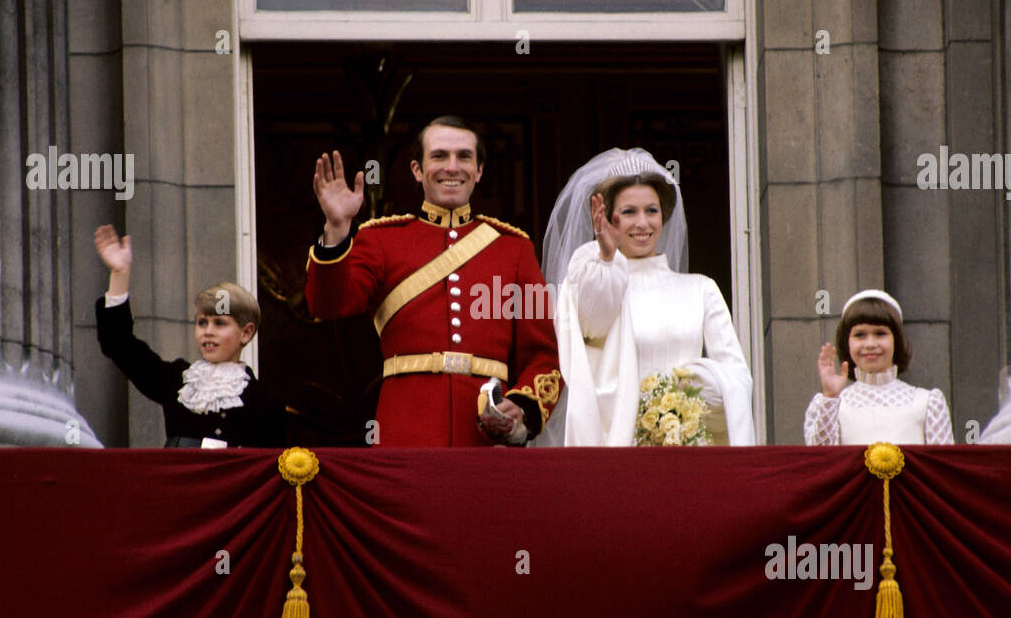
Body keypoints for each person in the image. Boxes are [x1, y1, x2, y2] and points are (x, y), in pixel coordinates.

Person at [303, 118, 562, 447]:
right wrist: (337, 229)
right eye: (439, 156)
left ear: (479, 170)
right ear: (417, 169)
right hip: (404, 428)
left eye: (464, 157)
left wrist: (522, 405)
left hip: (486, 437)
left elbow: (544, 353)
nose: (452, 167)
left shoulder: (514, 248)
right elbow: (328, 306)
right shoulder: (380, 239)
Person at [537, 148, 755, 447]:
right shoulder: (597, 281)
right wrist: (604, 257)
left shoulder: (700, 289)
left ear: (663, 216)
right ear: (608, 220)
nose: (642, 223)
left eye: (651, 210)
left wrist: (681, 399)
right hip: (616, 451)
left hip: (688, 450)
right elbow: (590, 323)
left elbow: (737, 378)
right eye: (629, 212)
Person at [94, 225, 288, 447]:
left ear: (246, 333)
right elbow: (118, 343)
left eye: (220, 323)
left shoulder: (264, 400)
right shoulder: (178, 380)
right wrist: (120, 274)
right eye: (202, 323)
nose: (208, 331)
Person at [804, 289, 954, 445]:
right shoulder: (828, 405)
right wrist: (830, 396)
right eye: (860, 335)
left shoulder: (928, 402)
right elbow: (822, 462)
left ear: (897, 340)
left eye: (880, 333)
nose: (870, 344)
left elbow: (941, 466)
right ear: (846, 342)